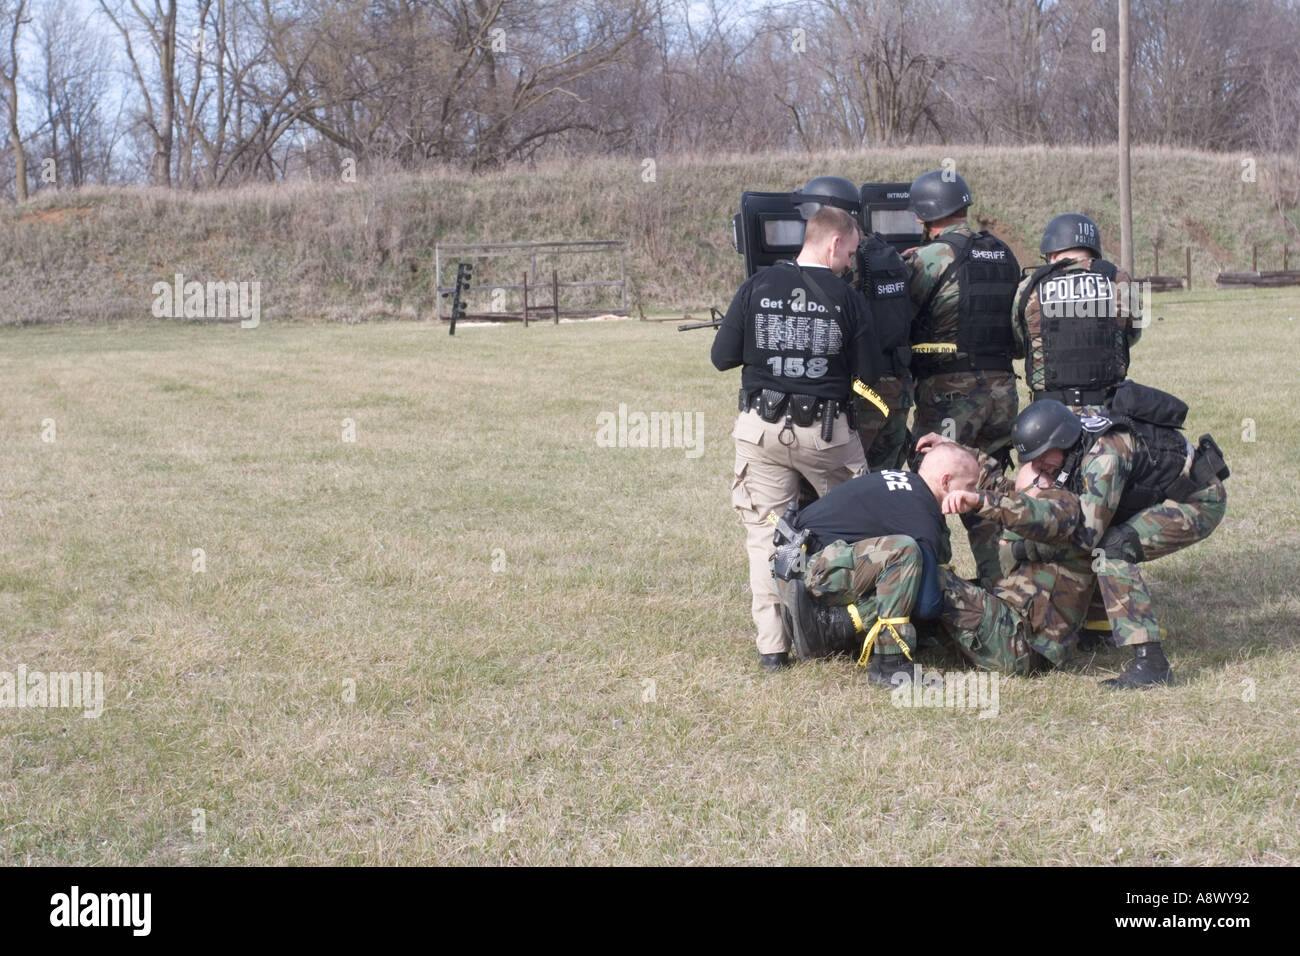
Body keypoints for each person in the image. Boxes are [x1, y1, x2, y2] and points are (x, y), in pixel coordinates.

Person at [711, 176, 886, 672]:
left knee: (765, 536)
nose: (850, 263)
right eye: (850, 253)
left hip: (759, 432)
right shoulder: (848, 299)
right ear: (834, 243)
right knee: (865, 525)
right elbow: (870, 375)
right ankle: (861, 624)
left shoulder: (756, 285)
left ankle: (773, 650)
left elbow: (722, 358)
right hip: (825, 434)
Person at [1009, 397, 1229, 688]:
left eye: (1042, 457)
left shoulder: (1105, 457)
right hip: (1153, 491)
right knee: (1103, 532)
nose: (1038, 466)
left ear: (1061, 440)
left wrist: (1024, 548)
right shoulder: (1071, 428)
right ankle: (1096, 625)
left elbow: (1086, 538)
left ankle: (1152, 664)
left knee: (1112, 548)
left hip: (1197, 501)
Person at [771, 443, 981, 687]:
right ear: (946, 482)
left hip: (797, 567)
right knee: (905, 554)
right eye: (970, 486)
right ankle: (883, 661)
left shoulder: (906, 484)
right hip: (813, 576)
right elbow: (927, 606)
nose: (974, 494)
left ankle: (834, 625)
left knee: (906, 566)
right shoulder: (922, 513)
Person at [903, 169, 1022, 586]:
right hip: (1004, 392)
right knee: (986, 486)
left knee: (933, 485)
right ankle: (1002, 587)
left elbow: (898, 320)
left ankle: (940, 586)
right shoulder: (1003, 254)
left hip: (950, 394)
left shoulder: (927, 259)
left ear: (923, 218)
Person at [1013, 213, 1142, 410]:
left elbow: (1020, 343)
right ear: (1093, 251)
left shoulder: (1030, 286)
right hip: (1108, 411)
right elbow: (1132, 335)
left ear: (1053, 253)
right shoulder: (1118, 278)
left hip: (1049, 414)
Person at [852, 230, 914, 470]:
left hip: (865, 388)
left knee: (850, 481)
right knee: (888, 477)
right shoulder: (891, 257)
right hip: (899, 385)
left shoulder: (851, 262)